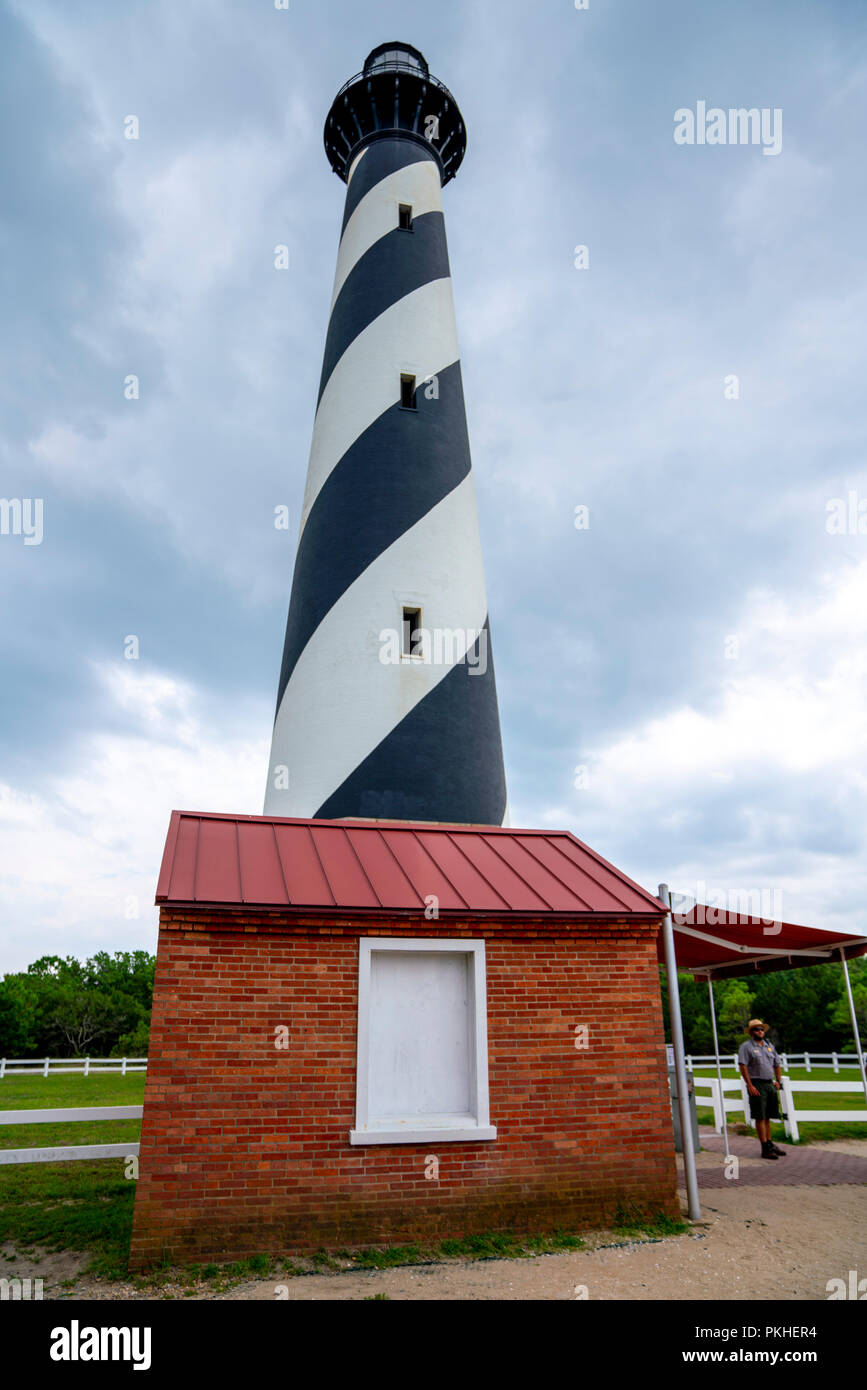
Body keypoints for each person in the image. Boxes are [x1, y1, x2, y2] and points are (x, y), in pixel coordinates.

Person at [738, 1019, 786, 1160]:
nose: (760, 1031)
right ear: (751, 1032)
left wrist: (778, 1081)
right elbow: (743, 1066)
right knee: (760, 1116)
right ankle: (764, 1148)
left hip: (769, 1084)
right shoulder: (746, 1047)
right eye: (756, 1029)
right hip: (756, 1084)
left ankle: (770, 1144)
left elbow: (777, 1064)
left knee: (768, 1116)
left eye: (761, 1029)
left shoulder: (769, 1046)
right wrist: (750, 1085)